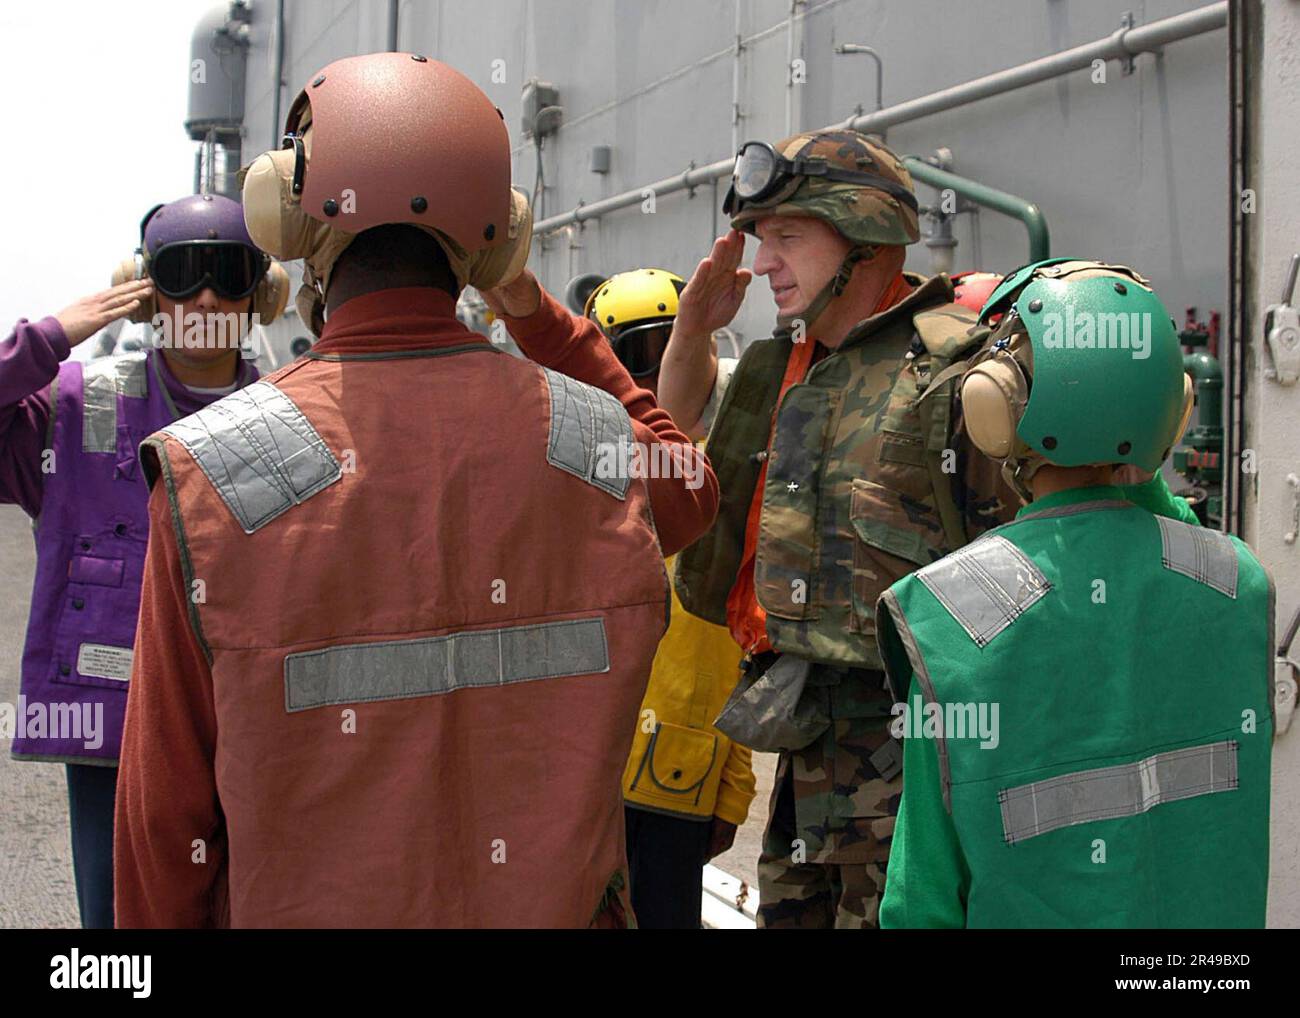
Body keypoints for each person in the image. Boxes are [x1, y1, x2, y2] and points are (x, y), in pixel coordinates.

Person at [113, 52, 718, 929]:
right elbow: (689, 484)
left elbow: (164, 820)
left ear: (287, 214)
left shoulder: (213, 472)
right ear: (497, 234)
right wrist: (536, 312)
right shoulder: (593, 442)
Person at [662, 129, 1016, 928]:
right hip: (807, 744)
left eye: (787, 237)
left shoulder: (955, 373)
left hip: (914, 766)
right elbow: (669, 447)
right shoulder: (789, 366)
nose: (763, 263)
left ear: (863, 239)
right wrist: (692, 335)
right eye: (760, 238)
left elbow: (1018, 578)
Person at [876, 259, 1273, 927]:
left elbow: (922, 900)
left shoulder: (948, 617)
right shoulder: (1236, 581)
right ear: (1172, 410)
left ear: (997, 408)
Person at [0, 193, 285, 928]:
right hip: (110, 734)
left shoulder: (296, 413)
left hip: (254, 726)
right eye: (182, 274)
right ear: (144, 288)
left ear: (262, 292)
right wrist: (51, 336)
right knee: (118, 921)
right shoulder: (74, 403)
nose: (208, 297)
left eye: (229, 273)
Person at [549, 267, 758, 927]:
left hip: (676, 777)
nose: (646, 381)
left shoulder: (715, 486)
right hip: (593, 770)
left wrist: (733, 784)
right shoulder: (566, 480)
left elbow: (741, 644)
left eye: (663, 351)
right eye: (632, 357)